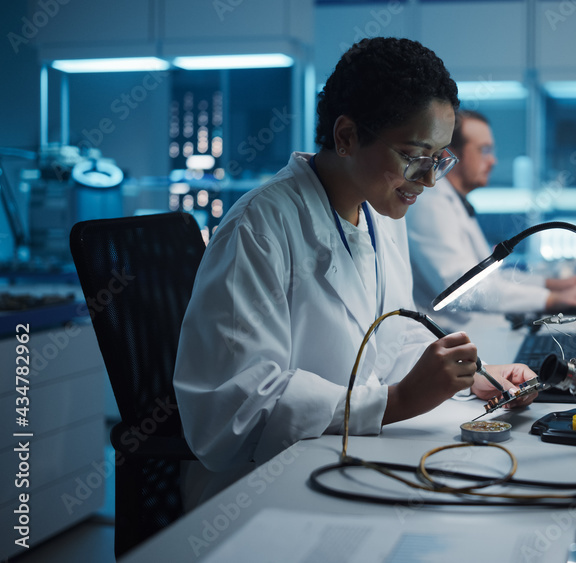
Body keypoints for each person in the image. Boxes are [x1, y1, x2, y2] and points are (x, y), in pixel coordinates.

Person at [173, 38, 535, 507]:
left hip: (349, 461)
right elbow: (238, 410)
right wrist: (397, 401)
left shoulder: (380, 214)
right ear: (346, 136)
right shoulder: (260, 227)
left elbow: (392, 342)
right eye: (413, 156)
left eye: (439, 159)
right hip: (260, 492)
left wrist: (465, 378)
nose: (427, 181)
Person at [407, 110, 576, 322]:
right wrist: (551, 299)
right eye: (484, 150)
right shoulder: (430, 204)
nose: (493, 161)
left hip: (473, 329)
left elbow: (491, 278)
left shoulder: (455, 202)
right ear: (450, 155)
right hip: (447, 335)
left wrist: (554, 285)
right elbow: (462, 289)